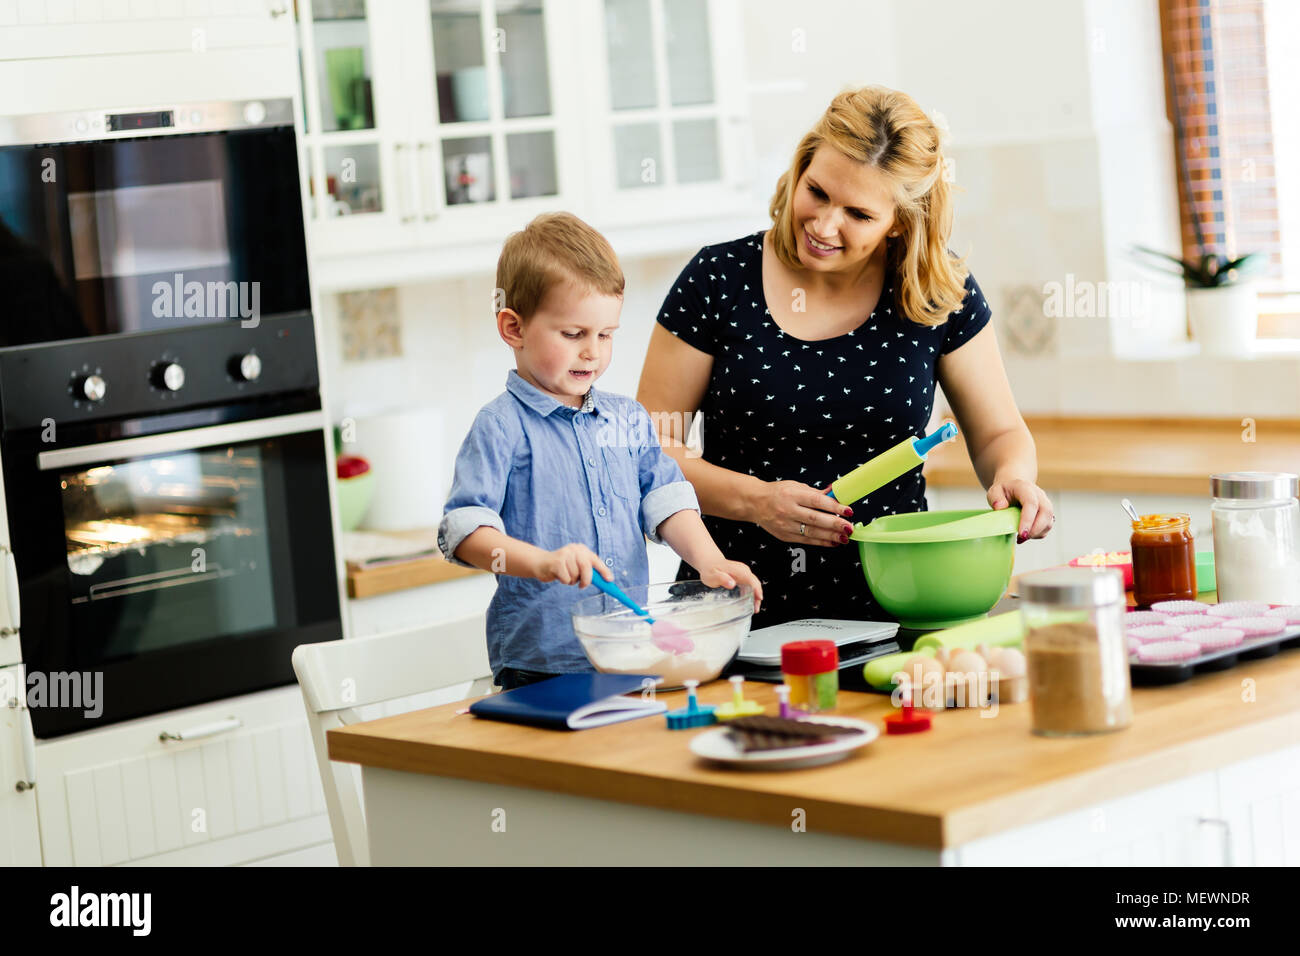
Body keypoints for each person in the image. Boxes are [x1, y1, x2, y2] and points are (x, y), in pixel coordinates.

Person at [636, 86, 1055, 629]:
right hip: (735, 612)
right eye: (817, 192)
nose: (824, 225)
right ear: (802, 165)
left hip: (903, 608)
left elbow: (1000, 434)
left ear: (901, 221)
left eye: (858, 213)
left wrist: (1015, 475)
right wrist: (757, 501)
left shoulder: (933, 289)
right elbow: (647, 455)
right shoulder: (718, 280)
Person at [438, 212, 763, 690]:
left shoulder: (628, 418)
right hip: (542, 664)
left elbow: (667, 497)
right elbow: (464, 530)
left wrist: (710, 560)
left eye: (606, 335)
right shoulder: (500, 427)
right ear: (513, 328)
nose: (593, 351)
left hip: (628, 655)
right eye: (573, 335)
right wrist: (543, 564)